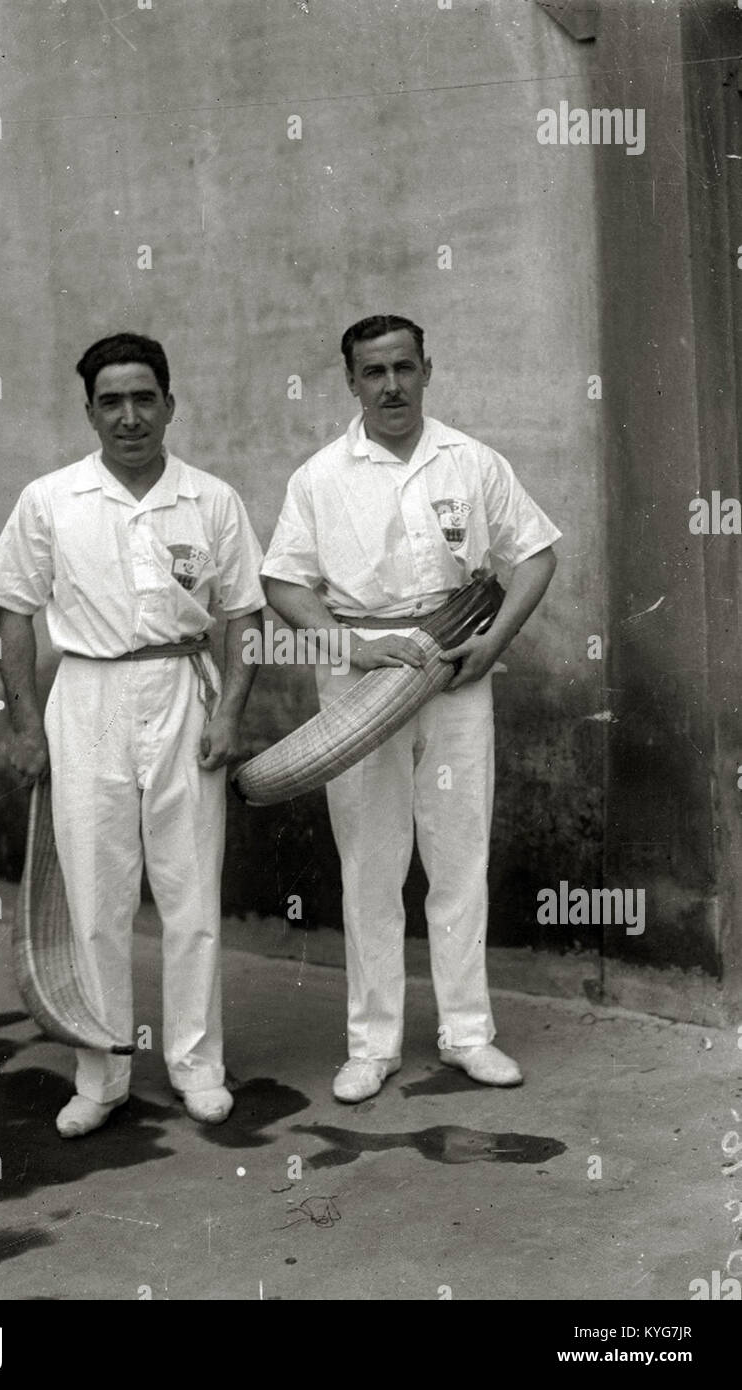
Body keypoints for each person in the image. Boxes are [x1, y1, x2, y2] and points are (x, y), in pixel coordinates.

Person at [262, 314, 560, 1103]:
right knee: (370, 863)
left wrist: (492, 645)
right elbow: (282, 582)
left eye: (402, 367)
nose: (389, 385)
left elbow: (534, 555)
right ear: (350, 382)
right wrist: (348, 648)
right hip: (361, 679)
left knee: (458, 857)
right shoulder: (319, 477)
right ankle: (372, 1045)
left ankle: (468, 1035)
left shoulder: (471, 460)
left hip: (456, 670)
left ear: (427, 368)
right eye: (372, 372)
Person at [0, 332, 265, 1135]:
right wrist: (27, 728)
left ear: (169, 405)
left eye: (145, 399)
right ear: (90, 412)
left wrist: (232, 711)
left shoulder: (211, 499)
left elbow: (244, 614)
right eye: (111, 402)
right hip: (88, 701)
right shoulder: (50, 499)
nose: (129, 417)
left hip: (183, 692)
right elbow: (11, 617)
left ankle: (196, 1066)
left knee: (190, 894)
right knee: (96, 900)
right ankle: (100, 1074)